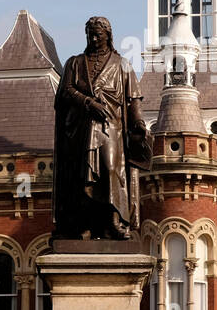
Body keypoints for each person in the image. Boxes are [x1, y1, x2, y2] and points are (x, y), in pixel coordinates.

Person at [52, 16, 151, 239]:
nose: (94, 38)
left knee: (111, 170)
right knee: (81, 176)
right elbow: (65, 91)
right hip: (80, 129)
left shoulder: (122, 65)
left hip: (111, 128)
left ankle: (114, 220)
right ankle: (84, 223)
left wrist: (139, 123)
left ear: (108, 35)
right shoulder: (75, 63)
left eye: (98, 34)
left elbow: (133, 99)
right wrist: (88, 102)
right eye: (90, 34)